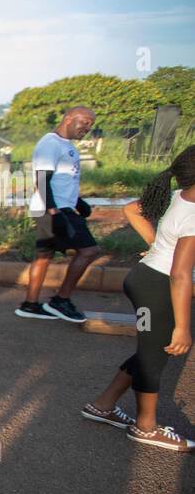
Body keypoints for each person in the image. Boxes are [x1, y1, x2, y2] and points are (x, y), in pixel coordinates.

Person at [82, 146, 195, 452]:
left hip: (146, 279)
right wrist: (183, 327)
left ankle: (102, 405)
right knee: (154, 355)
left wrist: (156, 242)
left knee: (151, 348)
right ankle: (146, 427)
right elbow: (180, 275)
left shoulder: (178, 197)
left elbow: (132, 209)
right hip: (156, 286)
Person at [15, 107, 103, 323]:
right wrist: (54, 212)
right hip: (54, 209)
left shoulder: (65, 145)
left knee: (44, 256)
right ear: (69, 118)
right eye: (84, 121)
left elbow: (62, 180)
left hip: (54, 207)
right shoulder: (50, 143)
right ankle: (60, 300)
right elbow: (42, 180)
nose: (87, 127)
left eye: (91, 124)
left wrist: (79, 202)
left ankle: (30, 304)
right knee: (89, 250)